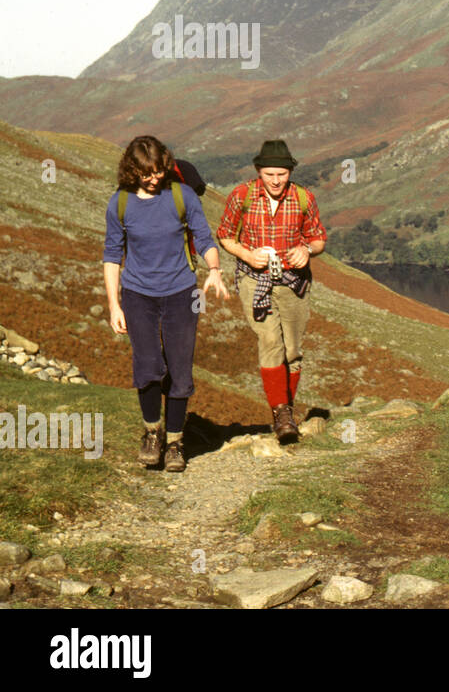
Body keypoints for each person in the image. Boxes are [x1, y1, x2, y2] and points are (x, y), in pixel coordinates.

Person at [103, 136, 228, 473]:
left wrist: (214, 270)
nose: (154, 178)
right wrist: (115, 306)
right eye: (146, 174)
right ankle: (151, 435)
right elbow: (112, 256)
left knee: (180, 368)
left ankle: (175, 443)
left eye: (158, 171)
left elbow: (203, 237)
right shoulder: (120, 203)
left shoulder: (182, 195)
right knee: (147, 366)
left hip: (181, 293)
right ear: (132, 170)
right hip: (138, 294)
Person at [217, 140, 327, 442]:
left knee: (292, 350)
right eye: (269, 175)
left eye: (282, 174)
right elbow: (225, 235)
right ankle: (281, 412)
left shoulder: (304, 198)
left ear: (289, 171)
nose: (276, 181)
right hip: (255, 279)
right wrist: (247, 255)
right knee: (269, 340)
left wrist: (307, 250)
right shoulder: (242, 196)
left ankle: (286, 411)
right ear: (258, 172)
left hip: (294, 282)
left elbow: (318, 238)